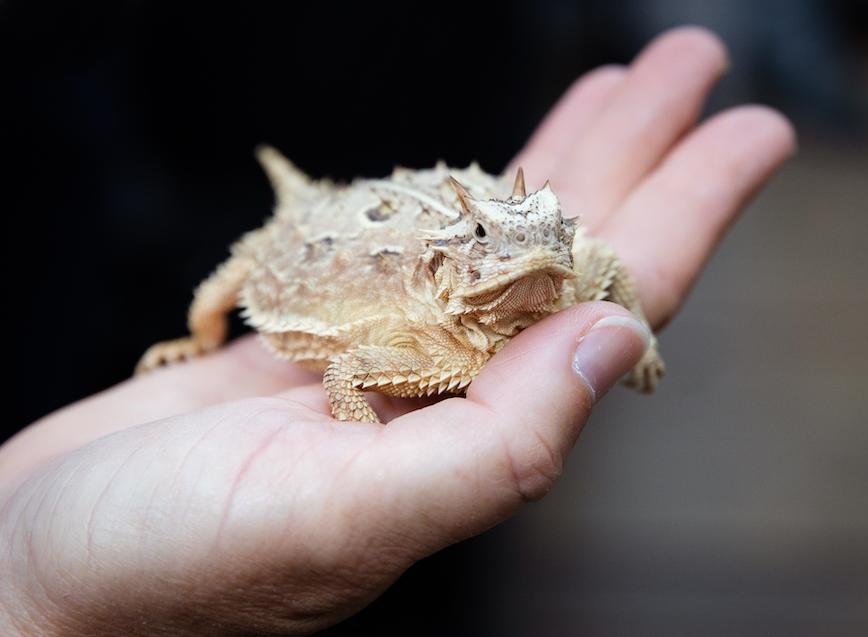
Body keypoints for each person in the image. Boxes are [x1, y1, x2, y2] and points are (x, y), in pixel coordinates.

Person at [0, 27, 794, 635]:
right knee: (250, 257)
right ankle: (200, 330)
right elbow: (348, 373)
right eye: (507, 254)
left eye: (551, 245)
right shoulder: (429, 342)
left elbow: (608, 264)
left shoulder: (562, 269)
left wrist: (641, 339)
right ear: (461, 270)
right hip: (355, 231)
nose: (545, 264)